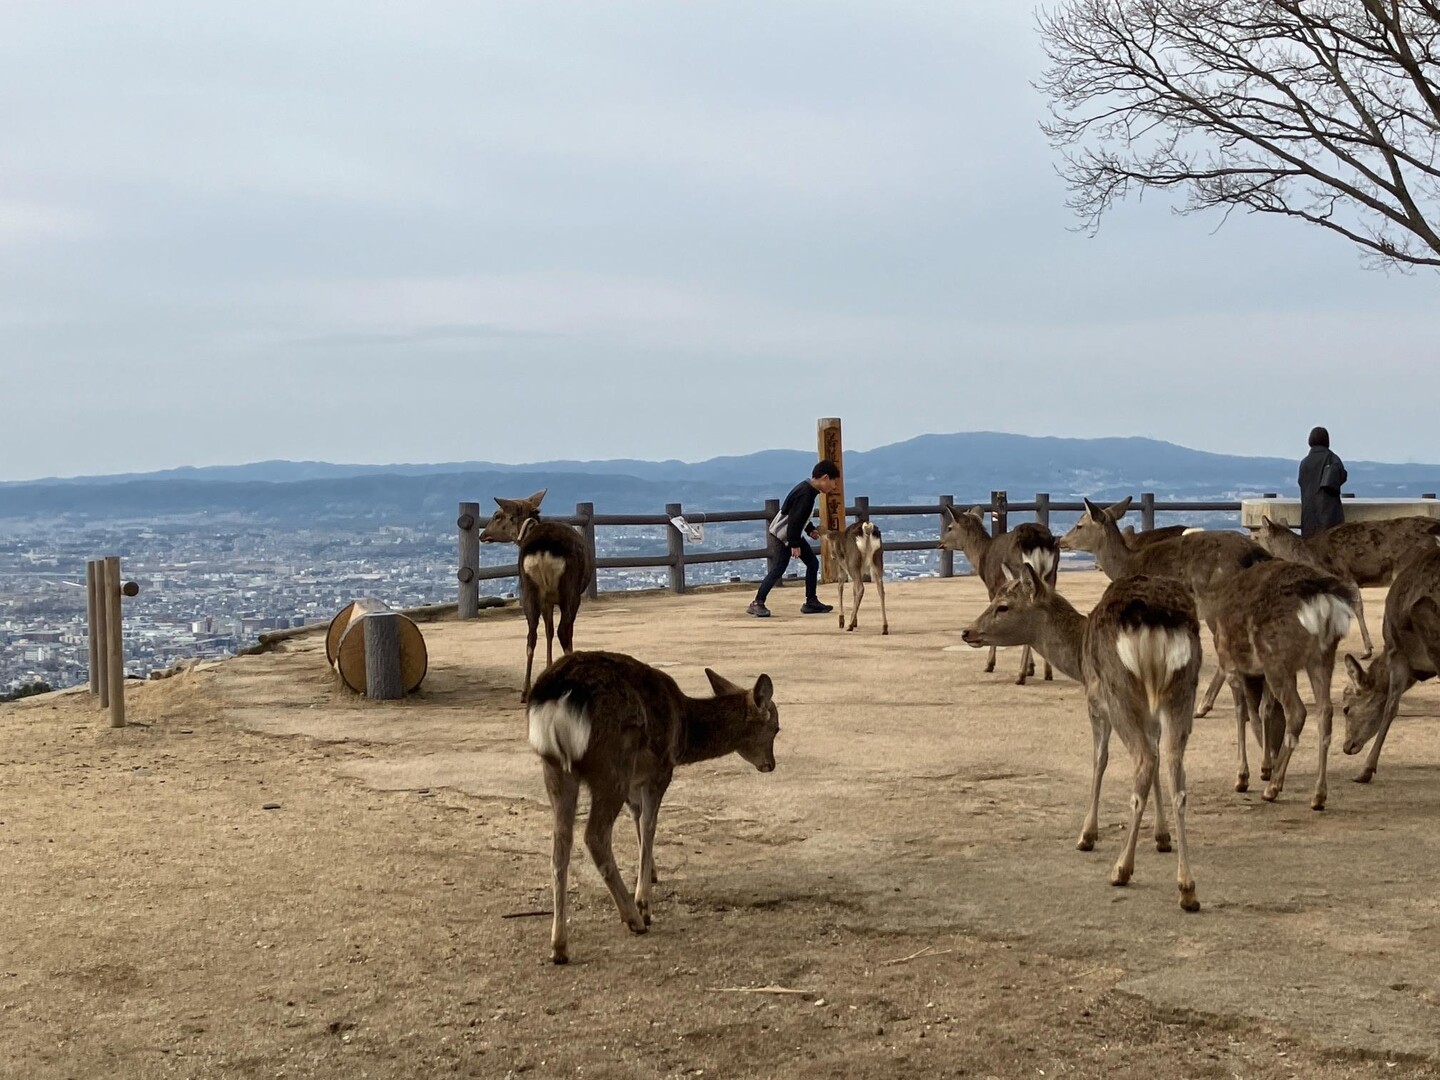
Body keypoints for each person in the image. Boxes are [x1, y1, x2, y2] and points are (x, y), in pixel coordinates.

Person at [747, 460, 841, 618]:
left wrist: (810, 530)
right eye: (833, 482)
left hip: (791, 534)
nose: (834, 487)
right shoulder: (806, 493)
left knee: (812, 563)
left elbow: (800, 517)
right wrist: (794, 544)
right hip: (784, 535)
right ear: (825, 478)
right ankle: (757, 602)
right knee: (779, 567)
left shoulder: (808, 490)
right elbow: (795, 520)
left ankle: (811, 601)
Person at [1298, 426, 1347, 539]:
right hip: (1329, 517)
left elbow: (1301, 482)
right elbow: (1342, 476)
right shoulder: (1331, 458)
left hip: (1308, 517)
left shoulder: (1304, 462)